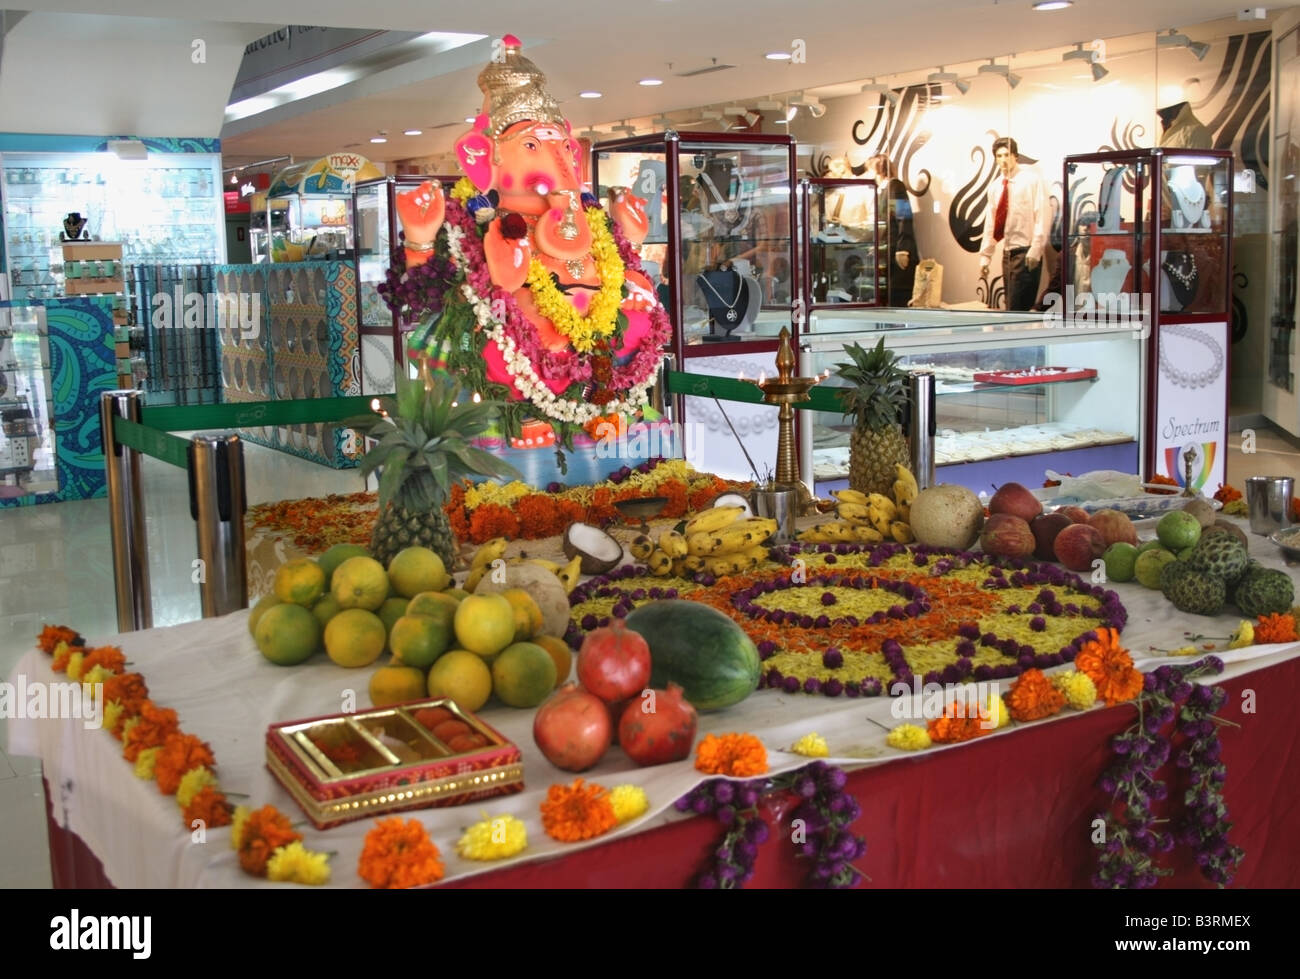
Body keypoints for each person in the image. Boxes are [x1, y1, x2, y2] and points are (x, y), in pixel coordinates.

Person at [978, 136, 1050, 312]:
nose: (1003, 160)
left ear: (1015, 156)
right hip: (1007, 254)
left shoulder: (1031, 180)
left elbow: (1042, 214)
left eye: (1007, 155)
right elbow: (991, 223)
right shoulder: (995, 187)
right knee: (1011, 307)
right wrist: (985, 256)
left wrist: (1036, 248)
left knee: (1018, 308)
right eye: (999, 156)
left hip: (1026, 252)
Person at [864, 154, 918, 307]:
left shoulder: (895, 187)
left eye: (870, 170)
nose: (869, 174)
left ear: (878, 169)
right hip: (891, 253)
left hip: (898, 254)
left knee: (898, 298)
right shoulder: (884, 191)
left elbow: (903, 217)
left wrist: (903, 249)